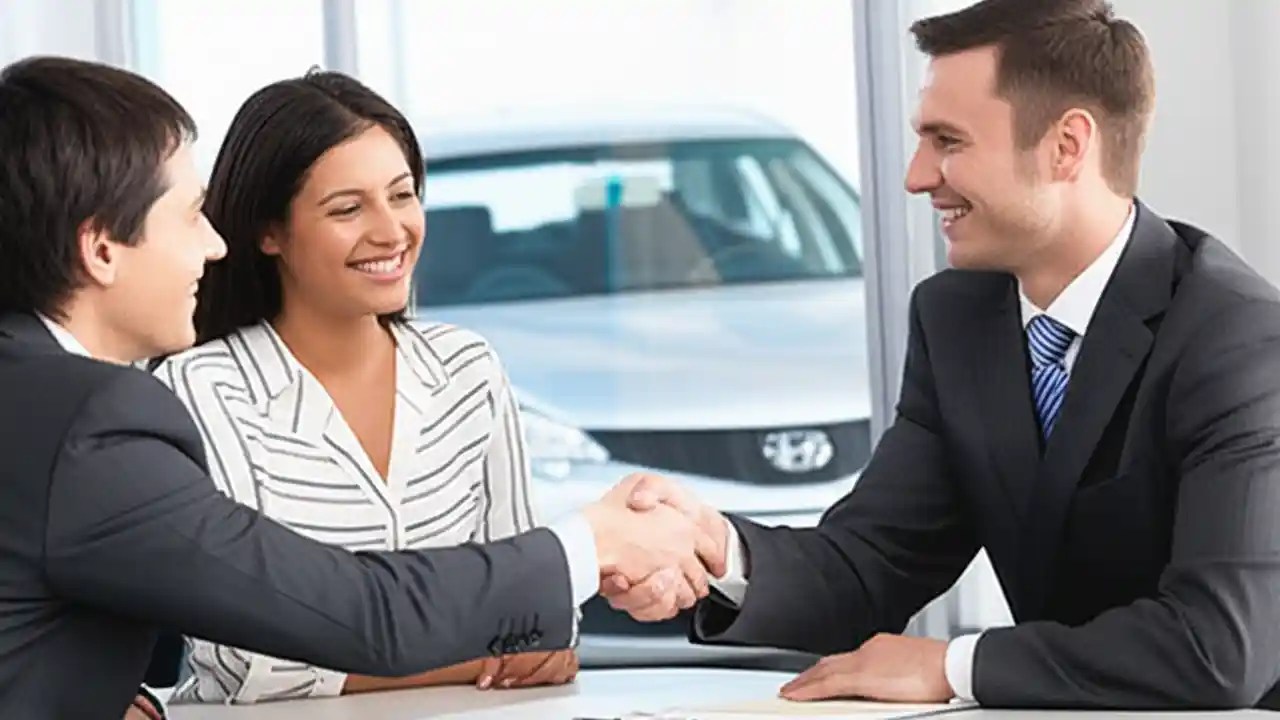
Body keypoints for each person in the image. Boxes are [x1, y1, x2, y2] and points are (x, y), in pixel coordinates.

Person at [602, 0, 1280, 710]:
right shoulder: (957, 318)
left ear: (1066, 146)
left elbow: (1217, 646)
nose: (917, 176)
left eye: (948, 141)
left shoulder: (1235, 340)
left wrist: (955, 667)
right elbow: (871, 564)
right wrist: (716, 549)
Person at [0, 56, 714, 719]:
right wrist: (596, 542)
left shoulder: (39, 398)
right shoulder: (99, 419)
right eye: (189, 216)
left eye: (403, 195)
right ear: (100, 249)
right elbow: (348, 619)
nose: (210, 245)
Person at [151, 70, 575, 704]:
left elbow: (541, 613)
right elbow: (252, 665)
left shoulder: (468, 369)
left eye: (402, 196)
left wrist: (520, 641)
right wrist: (475, 656)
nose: (390, 230)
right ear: (270, 232)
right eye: (347, 209)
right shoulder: (203, 389)